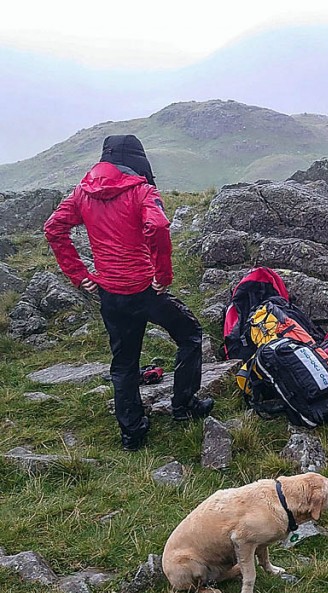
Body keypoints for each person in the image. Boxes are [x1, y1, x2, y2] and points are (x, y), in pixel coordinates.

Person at [44, 134, 213, 451]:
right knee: (190, 335)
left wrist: (79, 275)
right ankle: (184, 406)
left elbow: (53, 228)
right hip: (145, 290)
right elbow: (159, 226)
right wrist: (163, 275)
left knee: (124, 364)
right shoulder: (142, 191)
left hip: (110, 295)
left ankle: (132, 434)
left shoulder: (82, 192)